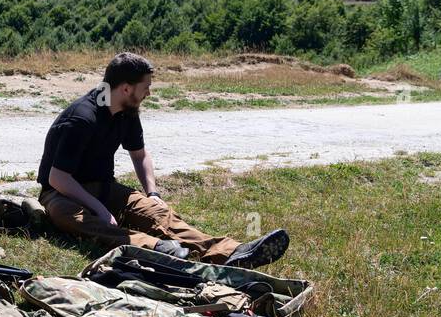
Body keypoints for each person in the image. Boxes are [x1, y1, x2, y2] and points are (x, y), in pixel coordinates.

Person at [36, 52, 287, 268]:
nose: (149, 92)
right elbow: (57, 178)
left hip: (104, 188)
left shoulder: (125, 109)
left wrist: (152, 193)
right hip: (62, 193)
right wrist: (100, 209)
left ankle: (233, 252)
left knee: (158, 212)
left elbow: (139, 154)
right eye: (145, 87)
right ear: (126, 88)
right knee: (71, 217)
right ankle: (157, 247)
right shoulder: (82, 118)